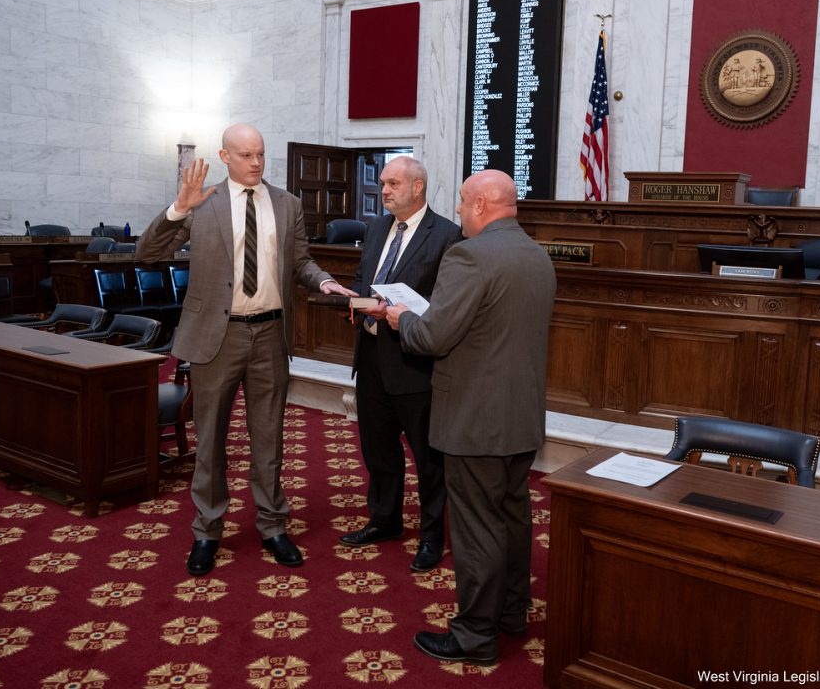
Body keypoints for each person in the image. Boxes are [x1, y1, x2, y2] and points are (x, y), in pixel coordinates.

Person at [136, 123, 354, 577]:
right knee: (210, 439)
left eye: (261, 154)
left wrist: (324, 281)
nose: (256, 163)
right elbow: (146, 253)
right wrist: (179, 207)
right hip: (217, 336)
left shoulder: (287, 203)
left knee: (269, 437)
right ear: (225, 156)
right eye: (246, 155)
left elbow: (300, 262)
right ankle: (207, 531)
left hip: (270, 335)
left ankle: (273, 525)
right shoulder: (204, 202)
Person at [385, 169, 556, 665]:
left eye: (461, 202)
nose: (457, 210)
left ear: (481, 204)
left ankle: (474, 636)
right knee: (512, 518)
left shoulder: (469, 255)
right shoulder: (537, 256)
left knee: (478, 527)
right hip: (520, 417)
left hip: (475, 421)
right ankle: (510, 613)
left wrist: (403, 320)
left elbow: (433, 337)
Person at [339, 156, 462, 572]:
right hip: (371, 355)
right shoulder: (376, 228)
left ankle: (431, 535)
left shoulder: (447, 235)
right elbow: (363, 279)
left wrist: (402, 313)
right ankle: (385, 520)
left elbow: (448, 304)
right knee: (377, 448)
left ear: (418, 188)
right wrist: (355, 301)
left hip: (414, 363)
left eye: (393, 184)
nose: (384, 190)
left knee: (428, 458)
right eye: (384, 183)